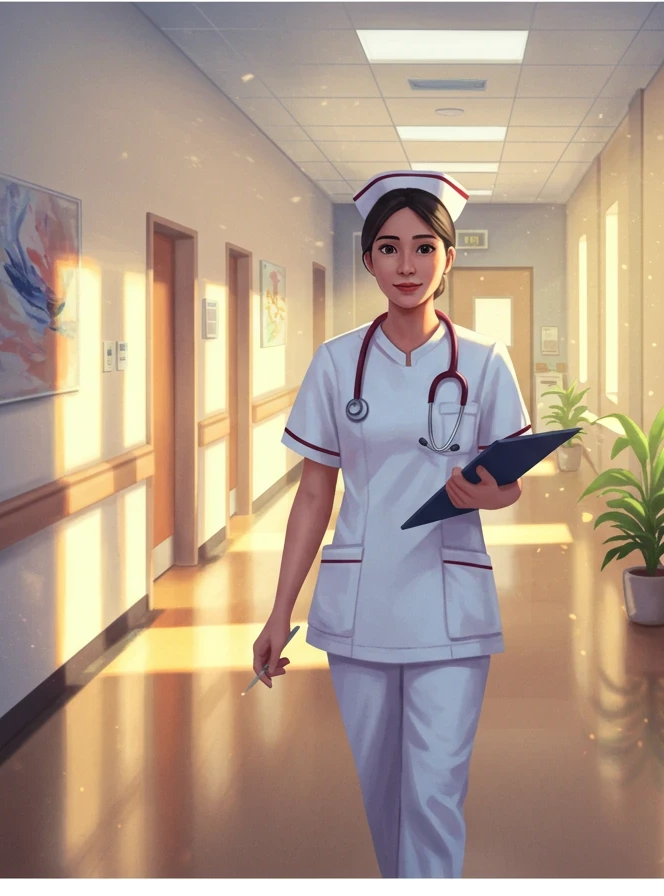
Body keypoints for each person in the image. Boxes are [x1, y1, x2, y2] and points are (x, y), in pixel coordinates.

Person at [251, 170, 531, 878]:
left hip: (449, 602)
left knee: (434, 792)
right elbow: (313, 496)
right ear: (369, 260)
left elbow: (510, 486)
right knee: (383, 793)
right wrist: (279, 613)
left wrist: (479, 496)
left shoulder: (488, 362)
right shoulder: (336, 362)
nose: (406, 265)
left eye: (423, 247)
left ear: (448, 256)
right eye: (388, 247)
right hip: (360, 603)